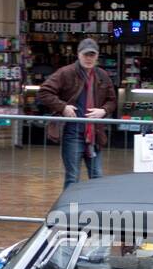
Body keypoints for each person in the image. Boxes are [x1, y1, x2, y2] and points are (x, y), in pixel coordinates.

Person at [38, 37, 116, 187]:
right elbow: (44, 92)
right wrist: (63, 107)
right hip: (73, 133)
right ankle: (70, 210)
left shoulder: (102, 75)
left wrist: (103, 111)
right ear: (78, 54)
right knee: (73, 178)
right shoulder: (66, 72)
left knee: (97, 176)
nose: (88, 58)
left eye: (92, 55)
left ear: (97, 56)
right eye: (85, 55)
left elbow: (112, 101)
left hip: (95, 134)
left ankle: (95, 210)